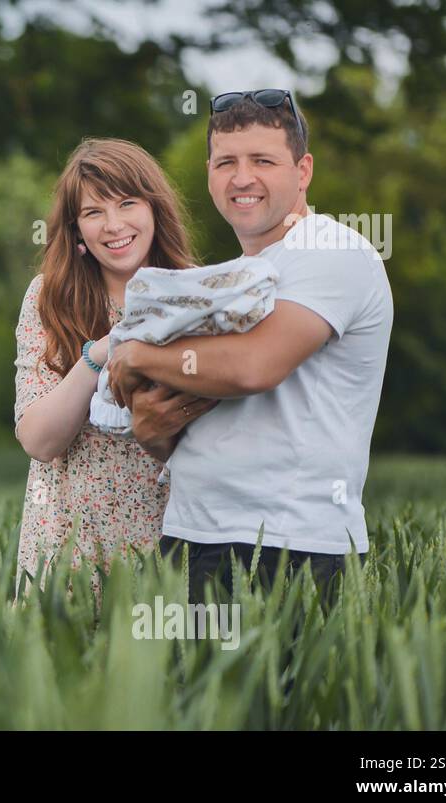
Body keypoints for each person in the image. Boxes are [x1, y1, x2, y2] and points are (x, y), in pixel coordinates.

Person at [107, 90, 394, 606]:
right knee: (187, 689)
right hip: (192, 538)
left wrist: (133, 355)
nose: (242, 178)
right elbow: (208, 414)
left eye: (263, 160)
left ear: (303, 171)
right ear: (210, 172)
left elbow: (254, 368)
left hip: (292, 548)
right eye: (226, 162)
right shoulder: (229, 282)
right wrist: (152, 435)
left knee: (283, 690)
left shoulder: (333, 252)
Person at [12, 137, 218, 609]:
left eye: (128, 203)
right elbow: (40, 441)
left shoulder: (199, 295)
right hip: (66, 547)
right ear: (77, 230)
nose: (114, 225)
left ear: (154, 209)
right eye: (93, 212)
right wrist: (100, 354)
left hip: (172, 542)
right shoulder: (50, 299)